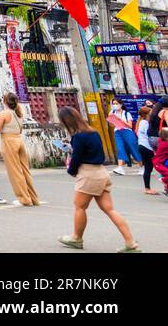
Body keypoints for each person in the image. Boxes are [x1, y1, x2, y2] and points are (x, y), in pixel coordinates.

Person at [57, 106, 140, 252]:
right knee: (110, 209)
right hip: (102, 172)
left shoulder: (78, 136)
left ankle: (76, 238)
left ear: (66, 121)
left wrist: (71, 170)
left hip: (89, 174)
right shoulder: (93, 131)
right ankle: (130, 242)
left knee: (80, 207)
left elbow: (76, 159)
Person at [0, 91, 39, 206]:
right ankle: (33, 198)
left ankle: (24, 199)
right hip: (18, 140)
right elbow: (20, 130)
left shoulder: (4, 113)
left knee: (15, 172)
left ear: (5, 101)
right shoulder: (19, 113)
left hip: (9, 141)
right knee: (25, 171)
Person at [106, 99, 138, 175]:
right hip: (117, 132)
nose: (115, 105)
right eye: (113, 103)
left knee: (133, 148)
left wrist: (120, 120)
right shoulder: (112, 113)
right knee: (120, 148)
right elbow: (111, 125)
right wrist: (111, 119)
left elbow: (130, 126)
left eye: (116, 103)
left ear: (121, 104)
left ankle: (142, 166)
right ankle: (120, 167)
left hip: (127, 131)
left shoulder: (127, 114)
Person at [136, 104, 157, 195]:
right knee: (149, 167)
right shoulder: (145, 123)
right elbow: (149, 134)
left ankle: (147, 188)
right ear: (147, 114)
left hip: (142, 146)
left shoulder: (141, 122)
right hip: (146, 147)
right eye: (151, 112)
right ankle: (147, 188)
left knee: (148, 167)